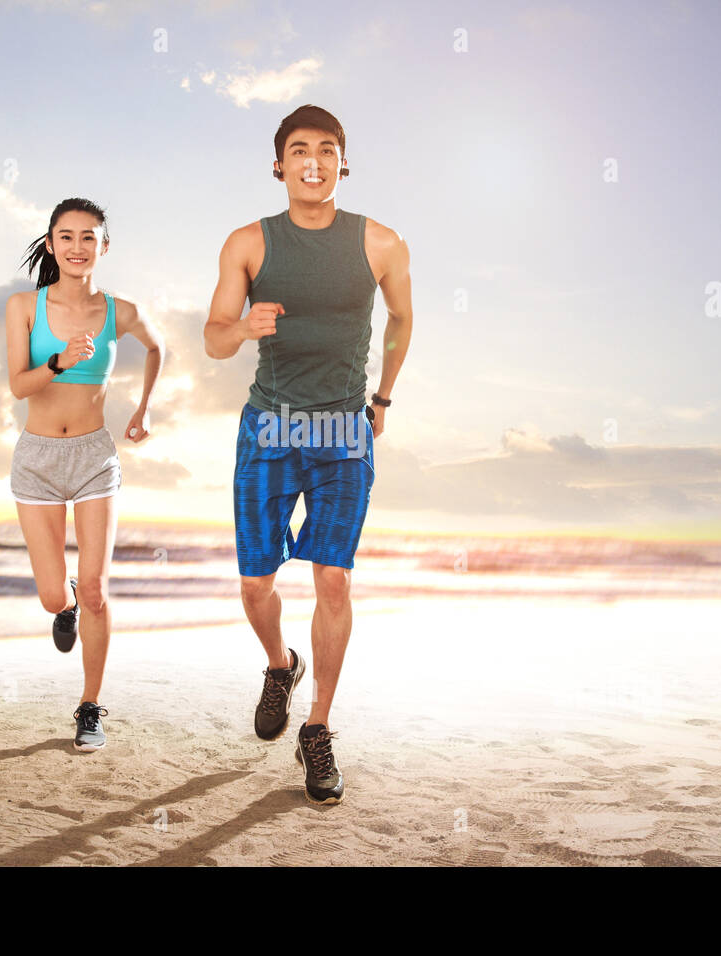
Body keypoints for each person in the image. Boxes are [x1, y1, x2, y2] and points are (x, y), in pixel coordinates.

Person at [203, 105, 413, 804]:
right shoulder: (248, 244)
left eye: (327, 149)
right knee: (257, 583)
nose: (313, 161)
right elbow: (212, 337)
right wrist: (242, 325)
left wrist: (381, 399)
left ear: (342, 163)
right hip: (269, 427)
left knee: (333, 580)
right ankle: (278, 664)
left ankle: (317, 728)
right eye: (299, 150)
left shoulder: (380, 243)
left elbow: (403, 318)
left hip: (344, 434)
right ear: (280, 164)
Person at [6, 197, 164, 752]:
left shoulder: (120, 311)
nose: (77, 247)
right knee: (56, 596)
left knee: (98, 587)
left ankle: (90, 705)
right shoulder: (24, 306)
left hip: (96, 458)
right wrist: (58, 362)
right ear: (51, 244)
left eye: (88, 237)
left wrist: (142, 409)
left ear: (104, 245)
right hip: (38, 460)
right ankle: (65, 606)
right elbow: (18, 386)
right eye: (66, 237)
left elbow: (157, 347)